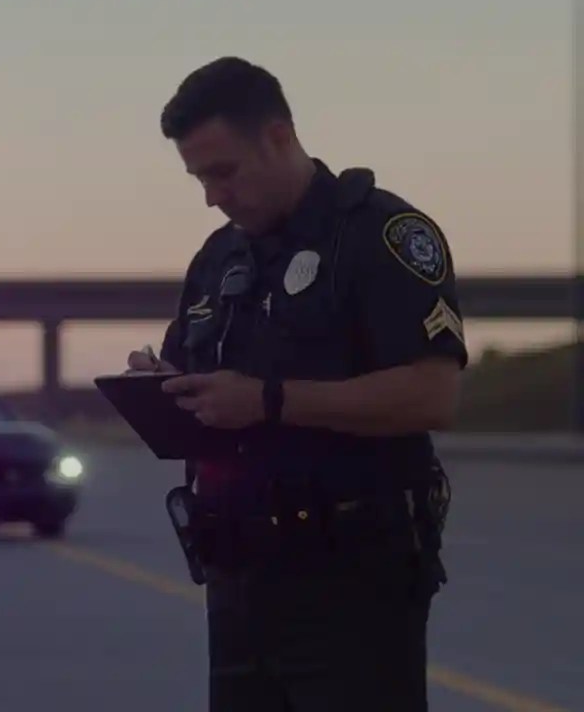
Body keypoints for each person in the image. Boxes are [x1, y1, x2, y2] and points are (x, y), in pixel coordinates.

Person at [128, 56, 466, 711]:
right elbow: (207, 389)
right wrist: (168, 389)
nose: (213, 196)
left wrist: (268, 401)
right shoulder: (218, 258)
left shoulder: (379, 236)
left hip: (353, 582)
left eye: (223, 172)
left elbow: (434, 394)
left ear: (279, 137)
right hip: (237, 578)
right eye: (198, 179)